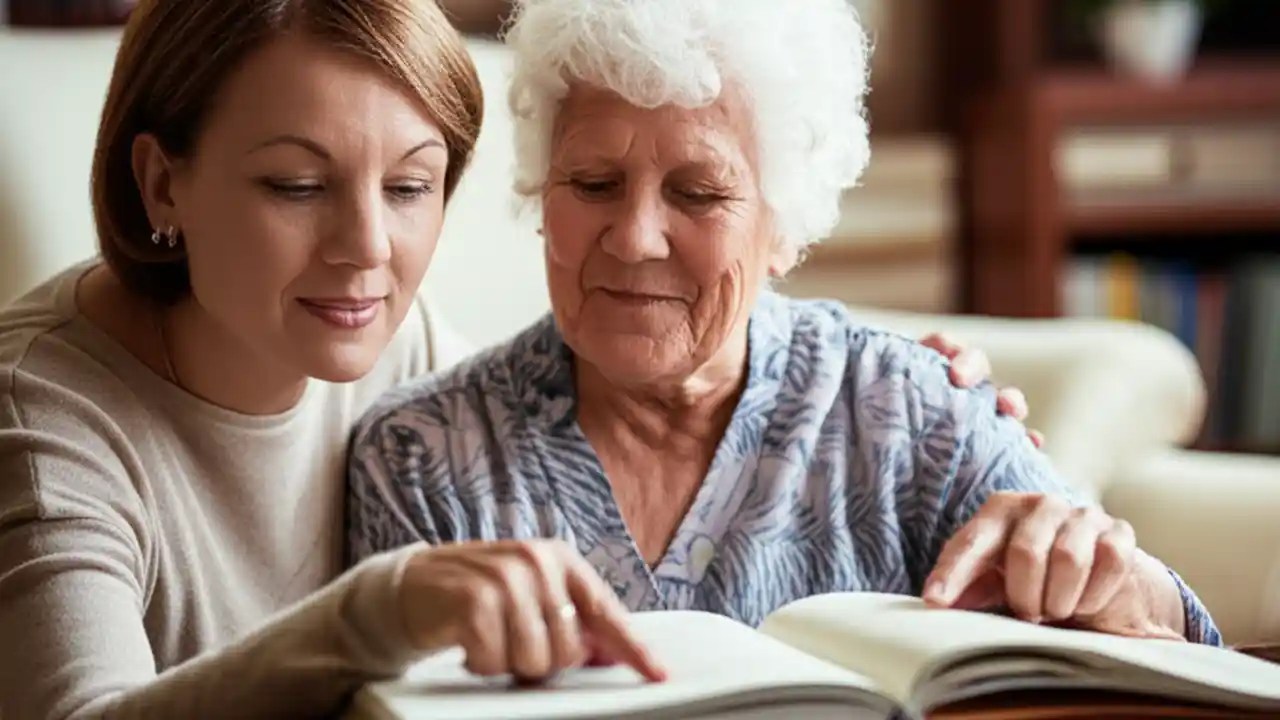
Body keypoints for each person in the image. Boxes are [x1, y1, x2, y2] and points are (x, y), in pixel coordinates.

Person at [0, 0, 1029, 717]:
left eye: (409, 187)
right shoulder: (42, 422)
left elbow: (593, 382)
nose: (367, 250)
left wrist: (908, 391)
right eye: (296, 186)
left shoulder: (375, 330)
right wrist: (380, 608)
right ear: (162, 185)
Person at [347, 0, 1222, 686]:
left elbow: (1188, 646)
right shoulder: (425, 456)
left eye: (698, 192)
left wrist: (1114, 581)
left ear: (785, 227)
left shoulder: (913, 411)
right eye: (595, 182)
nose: (636, 237)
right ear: (543, 193)